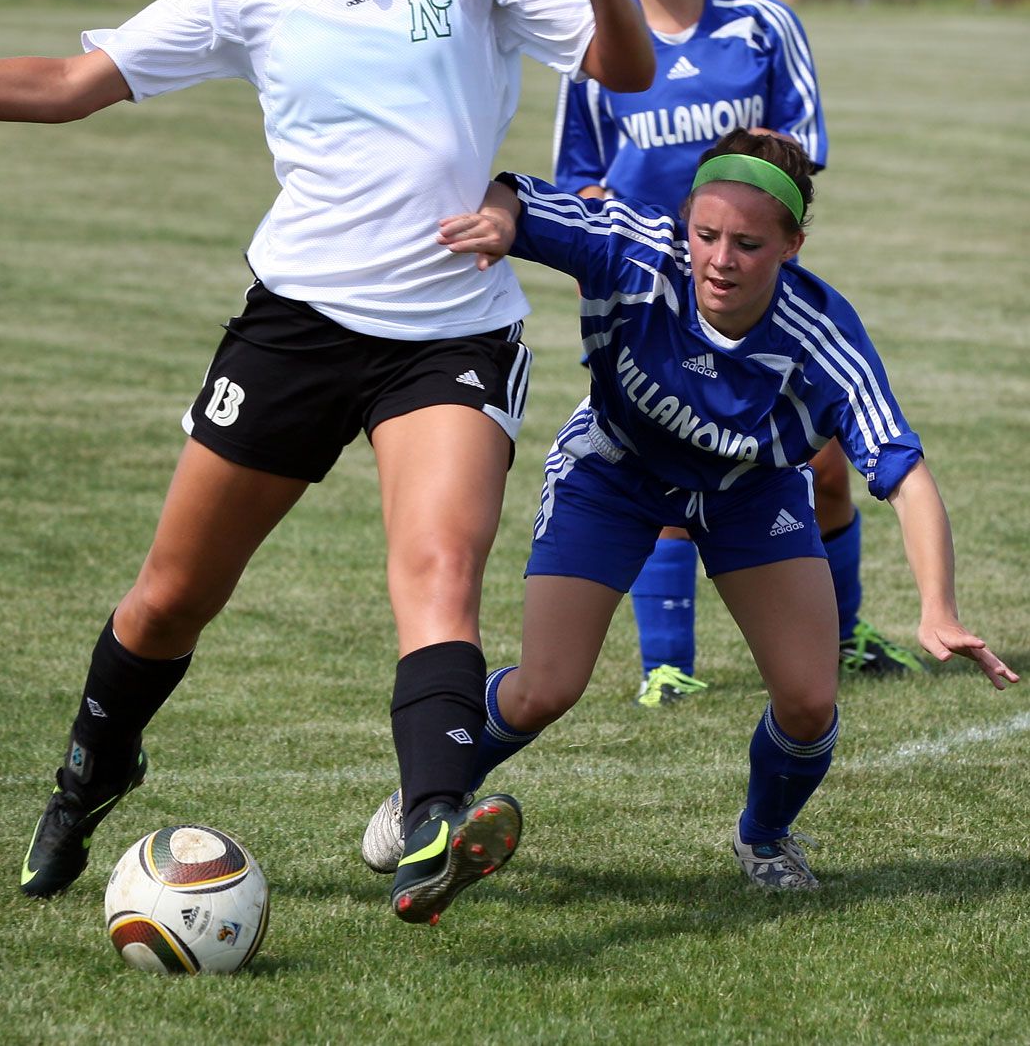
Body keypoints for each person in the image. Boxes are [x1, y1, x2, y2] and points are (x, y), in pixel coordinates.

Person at [0, 0, 654, 926]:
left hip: (449, 334)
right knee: (173, 595)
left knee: (436, 577)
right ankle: (93, 769)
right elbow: (75, 84)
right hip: (295, 331)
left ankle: (430, 826)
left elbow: (617, 73)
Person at [363, 128, 1017, 889]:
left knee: (808, 702)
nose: (719, 258)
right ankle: (430, 793)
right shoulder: (636, 252)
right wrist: (504, 222)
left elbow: (903, 470)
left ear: (792, 245)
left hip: (751, 494)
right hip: (613, 472)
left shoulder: (821, 334)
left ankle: (765, 837)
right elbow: (515, 192)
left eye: (747, 242)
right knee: (547, 685)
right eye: (705, 234)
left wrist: (937, 605)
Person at [551, 0, 923, 709]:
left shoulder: (762, 24)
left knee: (826, 466)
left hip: (752, 283)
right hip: (656, 298)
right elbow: (577, 176)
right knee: (668, 463)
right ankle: (667, 663)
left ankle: (845, 631)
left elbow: (805, 148)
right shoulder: (602, 41)